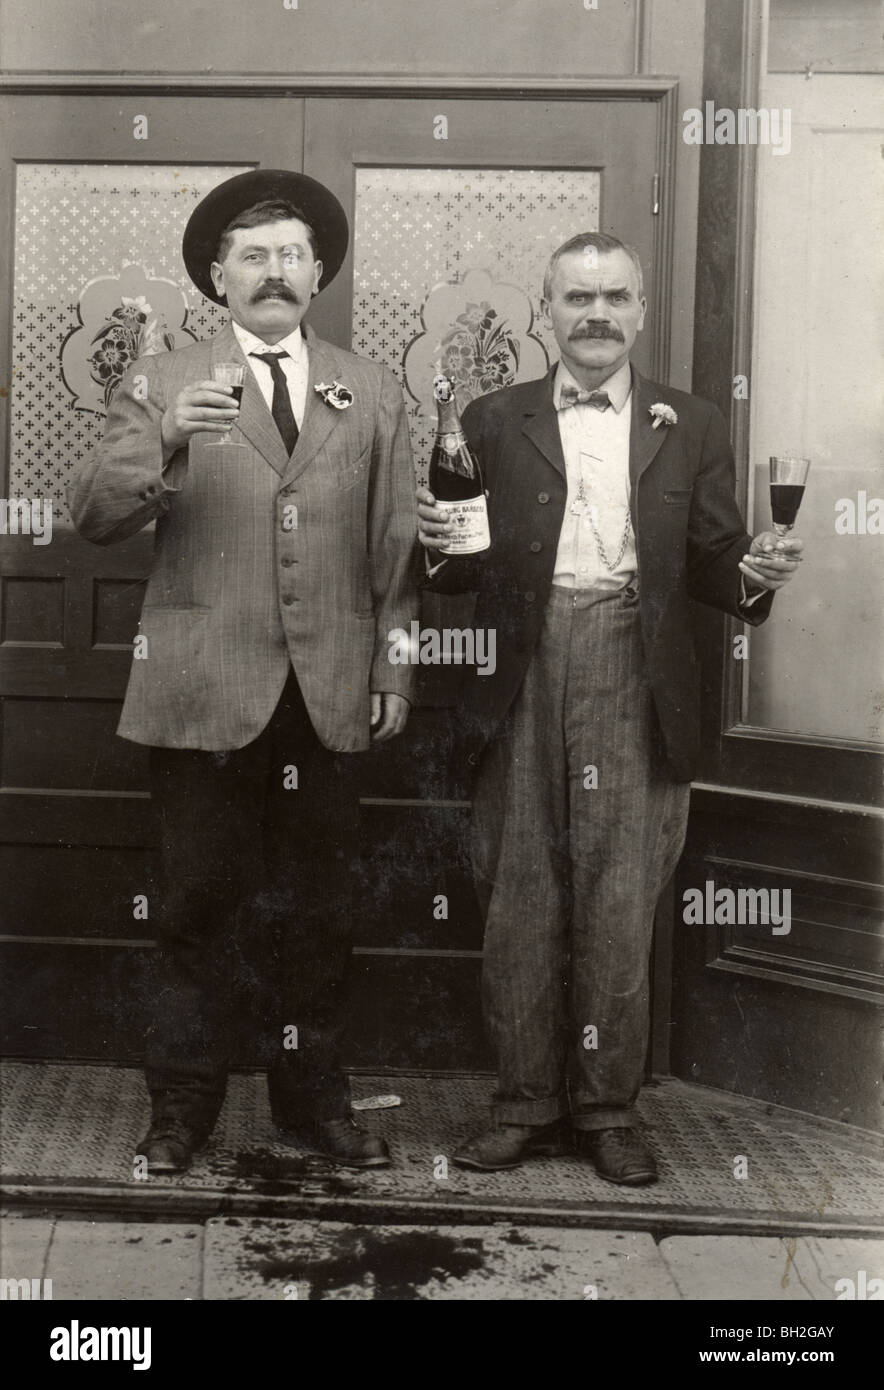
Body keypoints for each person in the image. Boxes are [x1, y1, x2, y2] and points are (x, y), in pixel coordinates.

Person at [417, 232, 802, 1185]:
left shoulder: (693, 421)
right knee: (519, 897)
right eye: (577, 297)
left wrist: (754, 572)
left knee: (620, 899)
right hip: (520, 668)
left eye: (614, 298)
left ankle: (606, 1111)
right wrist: (435, 544)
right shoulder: (491, 418)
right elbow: (456, 573)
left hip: (637, 667)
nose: (596, 314)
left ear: (639, 311)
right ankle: (521, 1106)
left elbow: (715, 563)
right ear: (546, 311)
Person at [69, 170, 419, 1173]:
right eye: (251, 256)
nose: (273, 272)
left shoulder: (370, 386)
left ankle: (314, 1103)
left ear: (318, 275)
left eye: (290, 255)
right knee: (193, 911)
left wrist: (395, 665)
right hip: (199, 690)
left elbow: (395, 543)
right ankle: (180, 1111)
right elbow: (93, 515)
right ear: (218, 278)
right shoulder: (161, 380)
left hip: (328, 691)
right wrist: (171, 438)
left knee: (319, 914)